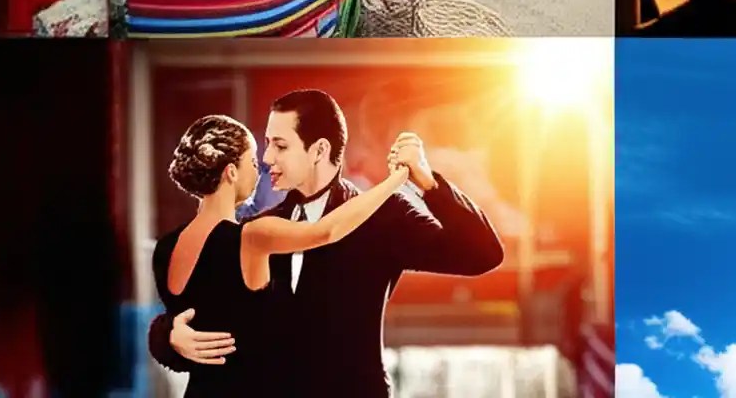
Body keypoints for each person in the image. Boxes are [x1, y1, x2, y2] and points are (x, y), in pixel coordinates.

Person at [147, 89, 504, 397]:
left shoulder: (383, 217)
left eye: (280, 146)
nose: (268, 159)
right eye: (267, 145)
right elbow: (215, 313)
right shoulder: (259, 229)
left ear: (318, 150)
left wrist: (427, 182)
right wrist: (168, 337)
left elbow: (482, 253)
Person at [152, 115, 414, 395]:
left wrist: (168, 336)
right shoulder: (252, 237)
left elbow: (183, 319)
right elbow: (327, 230)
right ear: (231, 172)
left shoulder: (165, 248)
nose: (260, 170)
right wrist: (396, 180)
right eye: (253, 162)